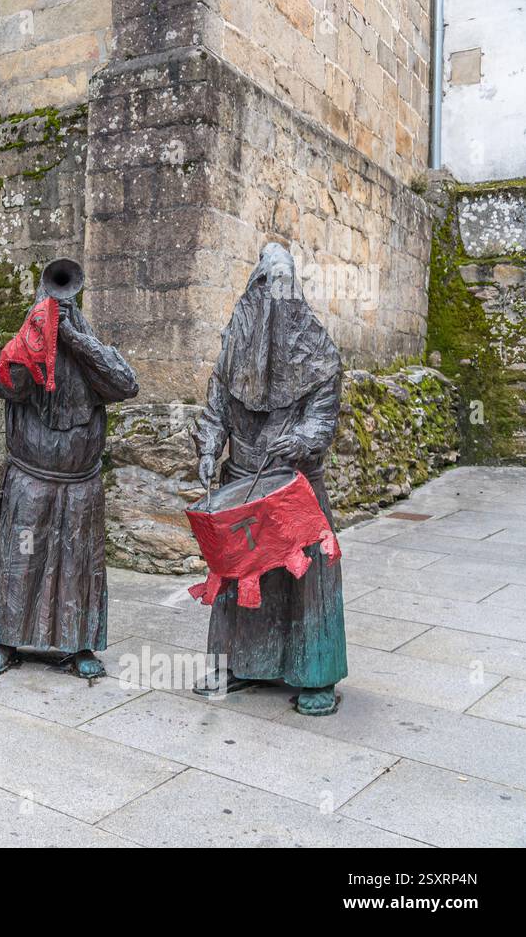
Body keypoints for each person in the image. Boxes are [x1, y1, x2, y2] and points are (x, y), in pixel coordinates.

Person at [193, 242, 347, 716]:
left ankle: (314, 675)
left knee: (306, 582)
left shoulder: (320, 357)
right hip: (242, 484)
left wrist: (301, 440)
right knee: (240, 576)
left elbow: (322, 422)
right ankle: (241, 664)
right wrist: (207, 446)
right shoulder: (234, 351)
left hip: (294, 490)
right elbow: (216, 411)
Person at [0, 261, 139, 678]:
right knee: (22, 556)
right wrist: (38, 337)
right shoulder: (26, 337)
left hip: (79, 486)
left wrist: (72, 338)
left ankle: (79, 642)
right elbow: (8, 385)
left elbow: (125, 384)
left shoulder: (90, 344)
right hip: (31, 482)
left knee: (78, 564)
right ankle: (6, 637)